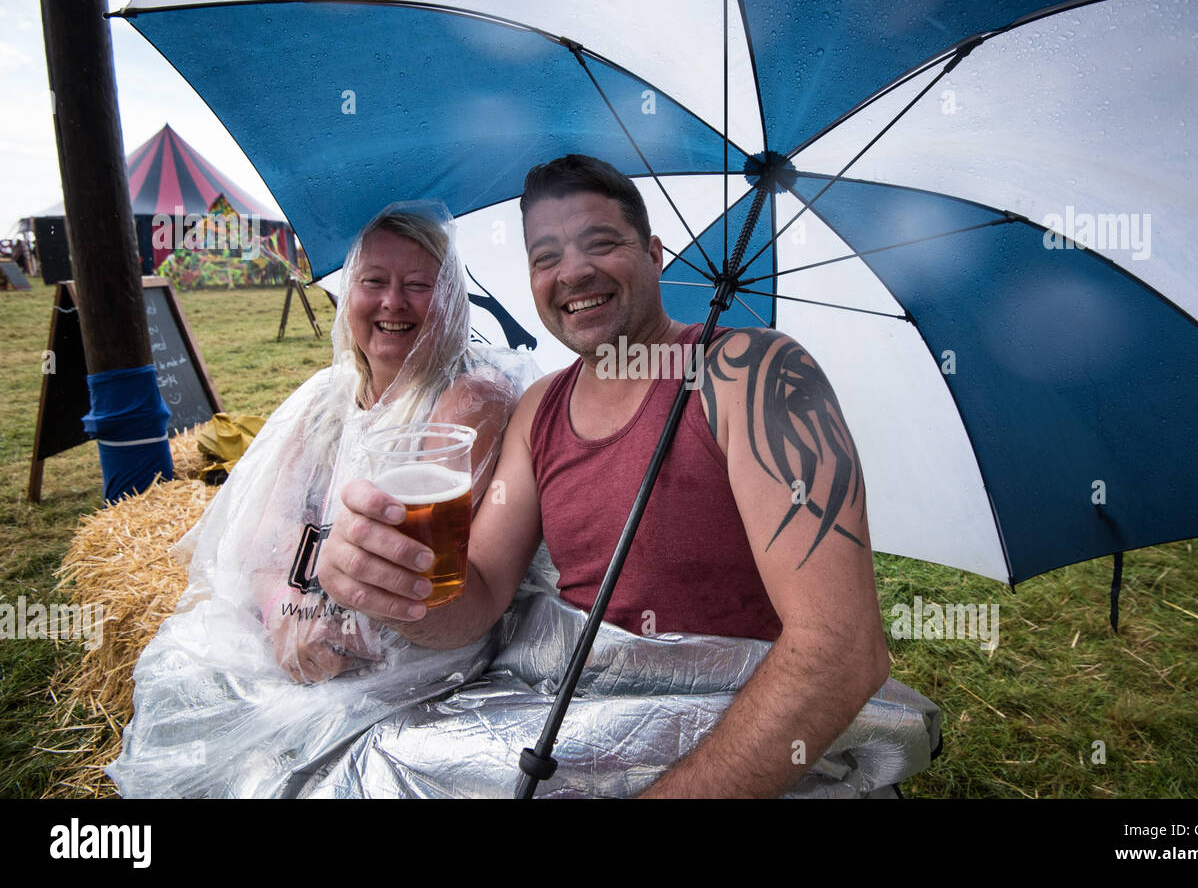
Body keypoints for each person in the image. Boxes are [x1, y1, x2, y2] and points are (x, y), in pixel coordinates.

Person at [317, 156, 891, 798]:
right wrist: (397, 586)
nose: (573, 271)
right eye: (545, 256)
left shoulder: (750, 374)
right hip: (585, 723)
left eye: (601, 242)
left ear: (652, 253)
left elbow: (841, 651)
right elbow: (473, 603)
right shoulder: (539, 410)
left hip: (744, 735)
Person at [178, 200, 535, 684]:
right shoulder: (325, 398)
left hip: (405, 661)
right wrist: (284, 609)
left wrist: (319, 624)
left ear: (451, 300)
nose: (393, 301)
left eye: (418, 284)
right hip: (300, 629)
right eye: (373, 281)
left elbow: (424, 572)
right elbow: (260, 542)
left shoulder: (471, 398)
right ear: (349, 294)